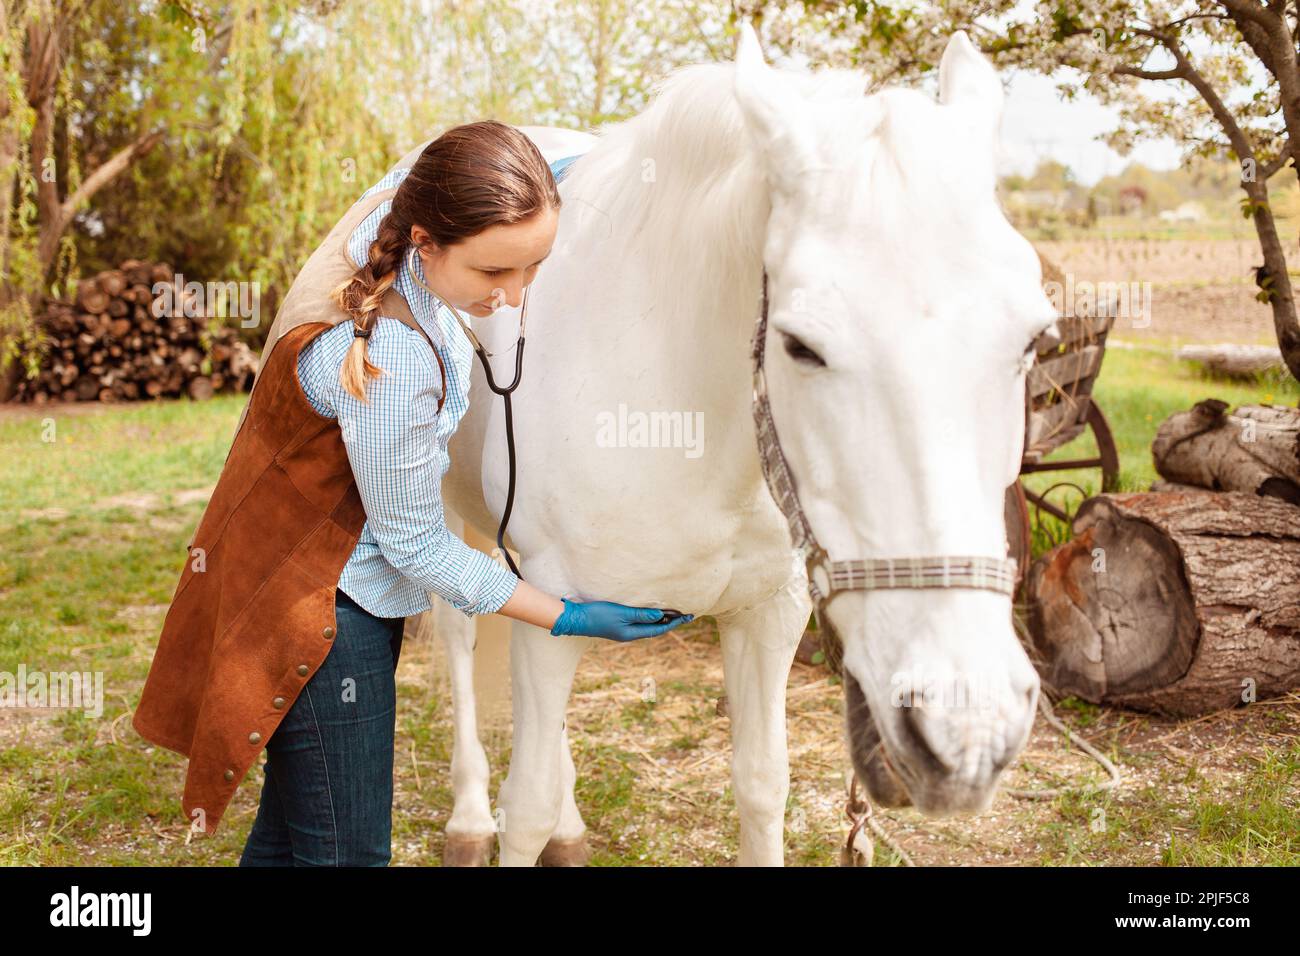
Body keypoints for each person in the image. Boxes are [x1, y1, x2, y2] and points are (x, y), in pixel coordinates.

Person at [131, 120, 693, 867]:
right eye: (495, 272)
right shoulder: (395, 357)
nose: (515, 294)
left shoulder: (394, 253)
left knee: (287, 842)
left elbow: (416, 186)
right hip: (326, 624)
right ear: (425, 240)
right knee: (347, 855)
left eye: (534, 267)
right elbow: (418, 545)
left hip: (310, 600)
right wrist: (567, 615)